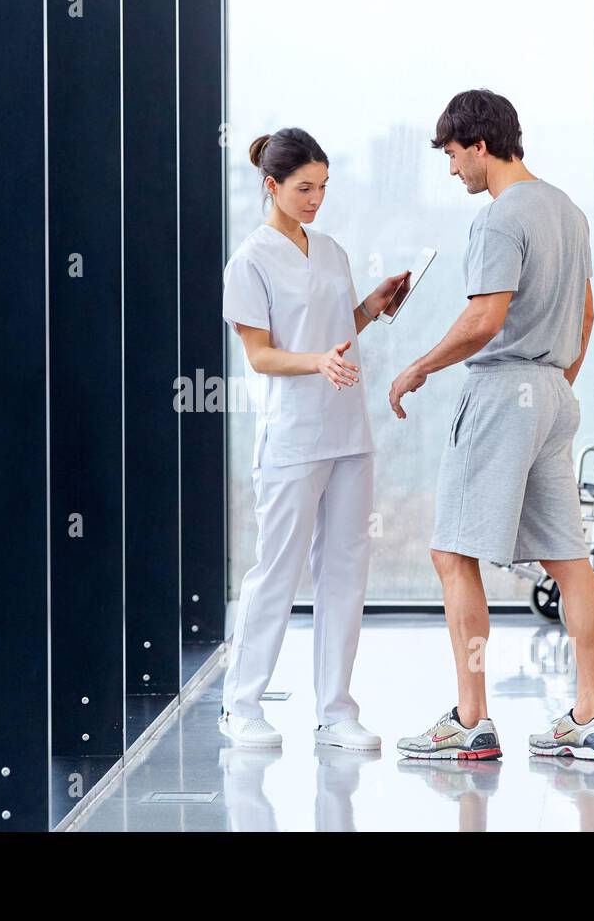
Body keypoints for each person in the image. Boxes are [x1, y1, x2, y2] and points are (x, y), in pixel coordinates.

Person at [388, 89, 594, 761]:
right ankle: (590, 718)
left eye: (455, 157)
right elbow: (587, 317)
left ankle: (471, 718)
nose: (453, 171)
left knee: (451, 553)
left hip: (502, 392)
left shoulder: (499, 219)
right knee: (571, 562)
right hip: (552, 395)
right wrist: (551, 386)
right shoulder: (567, 210)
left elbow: (485, 321)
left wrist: (417, 368)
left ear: (480, 145)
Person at [218, 126, 409, 751]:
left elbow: (336, 328)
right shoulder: (249, 260)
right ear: (271, 185)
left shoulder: (330, 250)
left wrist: (372, 307)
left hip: (348, 429)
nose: (315, 199)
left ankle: (336, 711)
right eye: (304, 188)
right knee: (277, 570)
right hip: (293, 433)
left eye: (323, 187)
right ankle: (240, 705)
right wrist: (317, 364)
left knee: (346, 569)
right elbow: (262, 356)